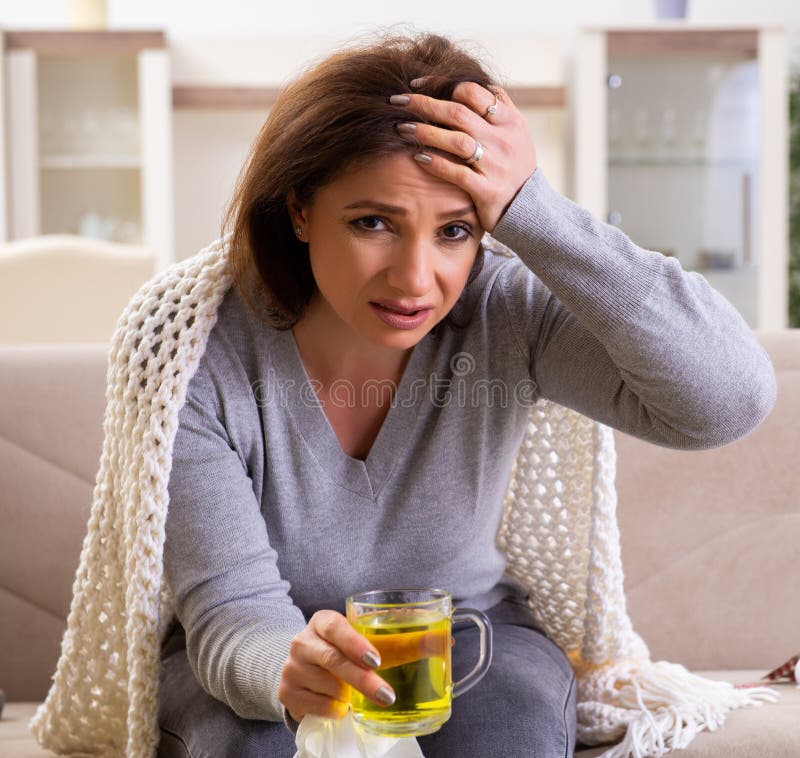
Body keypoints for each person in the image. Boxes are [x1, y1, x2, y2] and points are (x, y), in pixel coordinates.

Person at [155, 31, 776, 758]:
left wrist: (533, 208)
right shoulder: (193, 347)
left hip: (473, 636)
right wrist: (286, 671)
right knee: (256, 742)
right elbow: (233, 611)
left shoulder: (507, 312)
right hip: (264, 655)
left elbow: (729, 399)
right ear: (298, 210)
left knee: (512, 726)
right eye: (373, 223)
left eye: (455, 230)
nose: (417, 278)